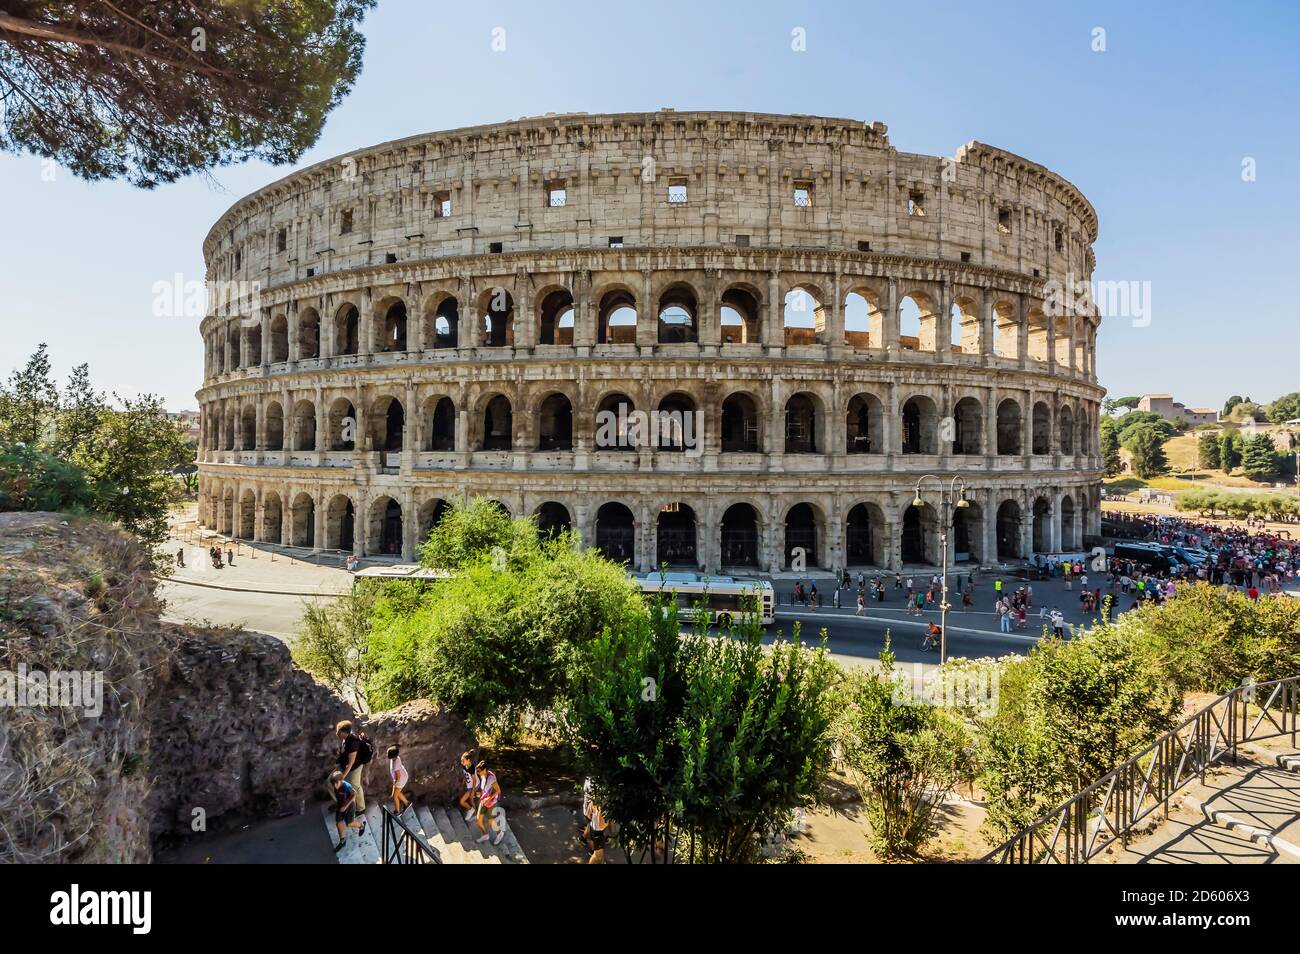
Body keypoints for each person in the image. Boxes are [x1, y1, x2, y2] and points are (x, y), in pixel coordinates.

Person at [335, 720, 368, 812]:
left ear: (344, 732)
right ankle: (341, 803)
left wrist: (342, 777)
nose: (337, 733)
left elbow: (351, 764)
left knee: (355, 785)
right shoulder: (345, 738)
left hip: (355, 767)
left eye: (338, 732)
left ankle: (361, 808)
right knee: (331, 781)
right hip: (344, 764)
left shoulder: (353, 743)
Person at [329, 770, 366, 852]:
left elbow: (354, 795)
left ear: (340, 781)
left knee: (349, 824)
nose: (334, 786)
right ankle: (343, 841)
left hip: (350, 806)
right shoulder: (336, 786)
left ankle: (361, 826)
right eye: (333, 784)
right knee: (338, 822)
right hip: (341, 805)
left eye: (336, 783)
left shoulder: (347, 786)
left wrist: (345, 807)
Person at [475, 760, 505, 846]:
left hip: (491, 802)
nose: (478, 773)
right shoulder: (482, 775)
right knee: (478, 820)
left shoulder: (491, 778)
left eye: (479, 771)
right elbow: (484, 788)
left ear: (485, 770)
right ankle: (485, 835)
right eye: (477, 771)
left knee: (491, 822)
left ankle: (500, 833)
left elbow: (498, 791)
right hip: (483, 800)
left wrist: (488, 798)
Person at [387, 744, 411, 815]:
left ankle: (397, 811)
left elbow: (398, 776)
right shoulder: (395, 758)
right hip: (402, 777)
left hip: (400, 779)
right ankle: (406, 803)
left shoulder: (396, 764)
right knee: (396, 793)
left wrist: (395, 783)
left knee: (395, 796)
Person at [458, 750, 477, 820]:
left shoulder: (471, 768)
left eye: (463, 760)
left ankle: (472, 811)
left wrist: (473, 791)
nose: (461, 762)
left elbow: (474, 780)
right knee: (470, 800)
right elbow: (466, 775)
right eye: (461, 760)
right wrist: (463, 782)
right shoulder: (464, 766)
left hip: (473, 786)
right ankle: (473, 812)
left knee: (463, 801)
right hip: (469, 786)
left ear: (468, 760)